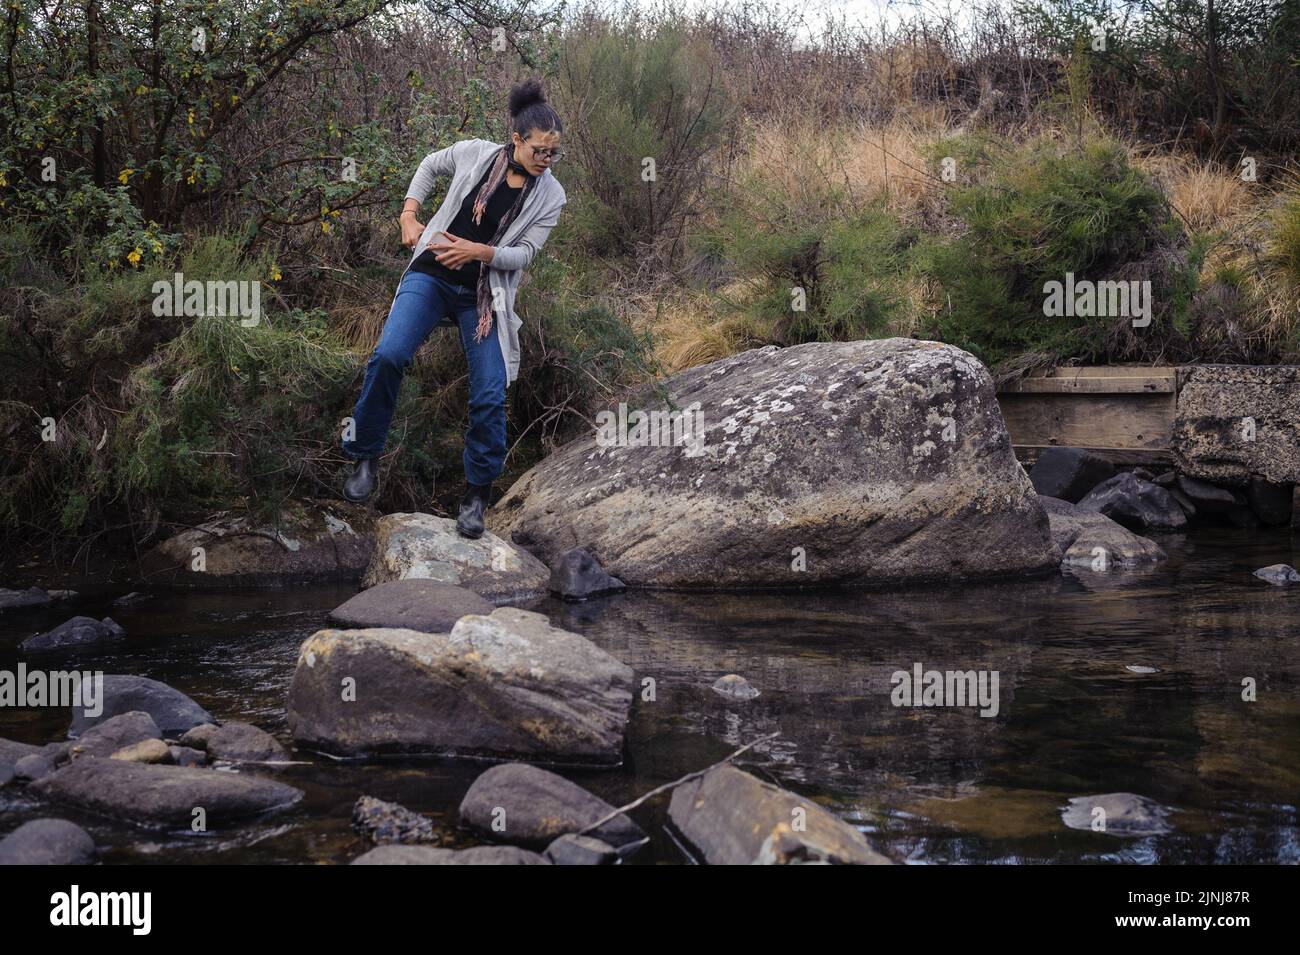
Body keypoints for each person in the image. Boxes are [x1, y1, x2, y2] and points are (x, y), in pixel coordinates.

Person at [340, 79, 566, 539]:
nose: (546, 160)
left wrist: (479, 253)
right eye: (539, 150)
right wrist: (408, 214)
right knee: (389, 355)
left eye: (554, 153)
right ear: (517, 139)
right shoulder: (475, 153)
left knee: (488, 390)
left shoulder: (551, 196)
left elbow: (524, 255)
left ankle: (476, 495)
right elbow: (428, 165)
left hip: (486, 295)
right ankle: (365, 455)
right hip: (432, 275)